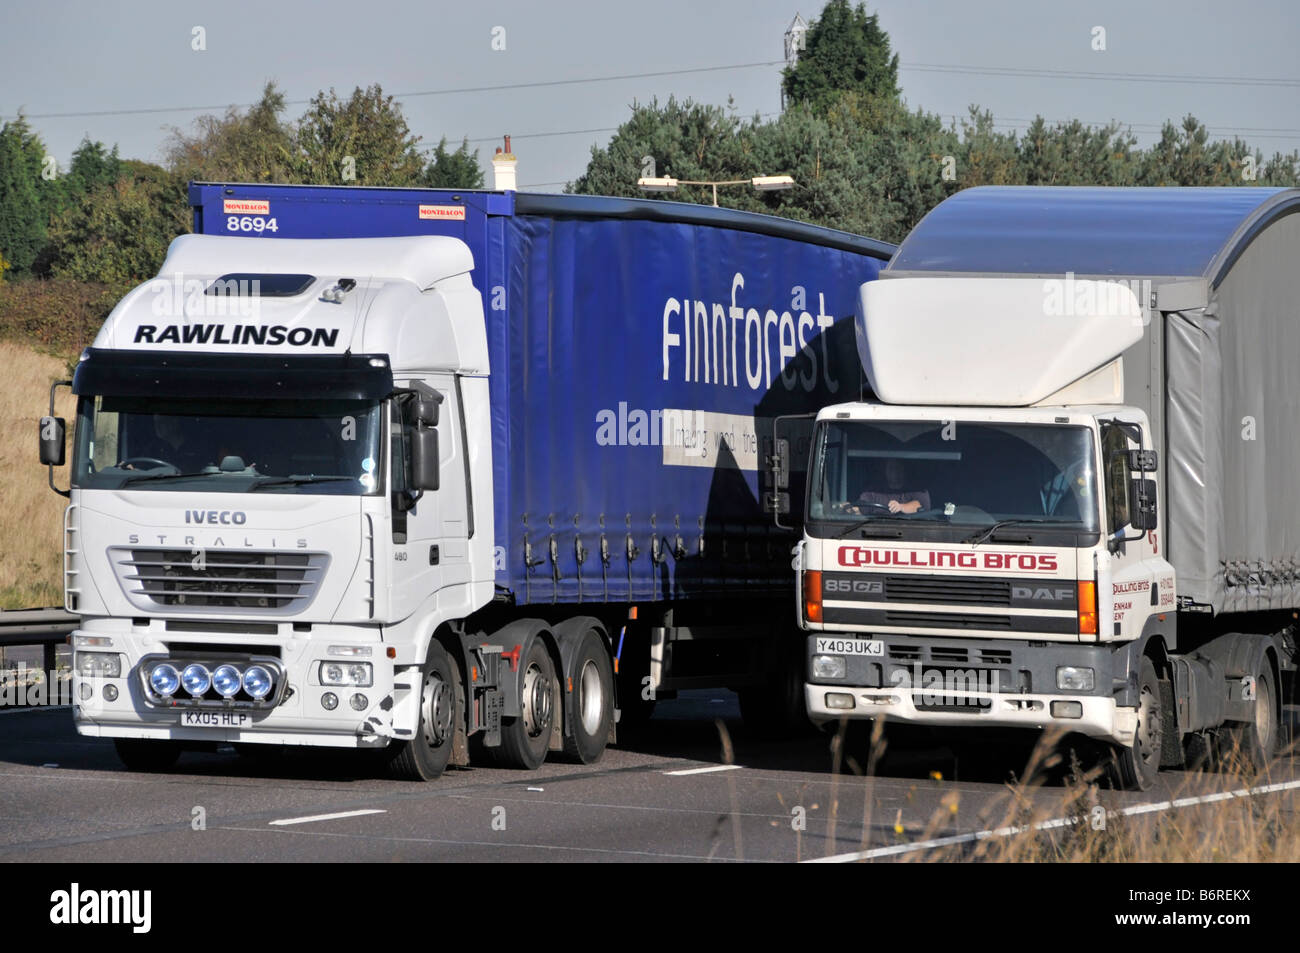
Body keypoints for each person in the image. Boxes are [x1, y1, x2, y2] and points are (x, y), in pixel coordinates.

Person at [846, 458, 931, 515]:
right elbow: (861, 507)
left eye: (897, 468)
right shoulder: (873, 491)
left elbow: (921, 506)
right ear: (885, 470)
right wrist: (848, 508)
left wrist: (901, 507)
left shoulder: (917, 489)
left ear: (904, 469)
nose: (894, 472)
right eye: (891, 468)